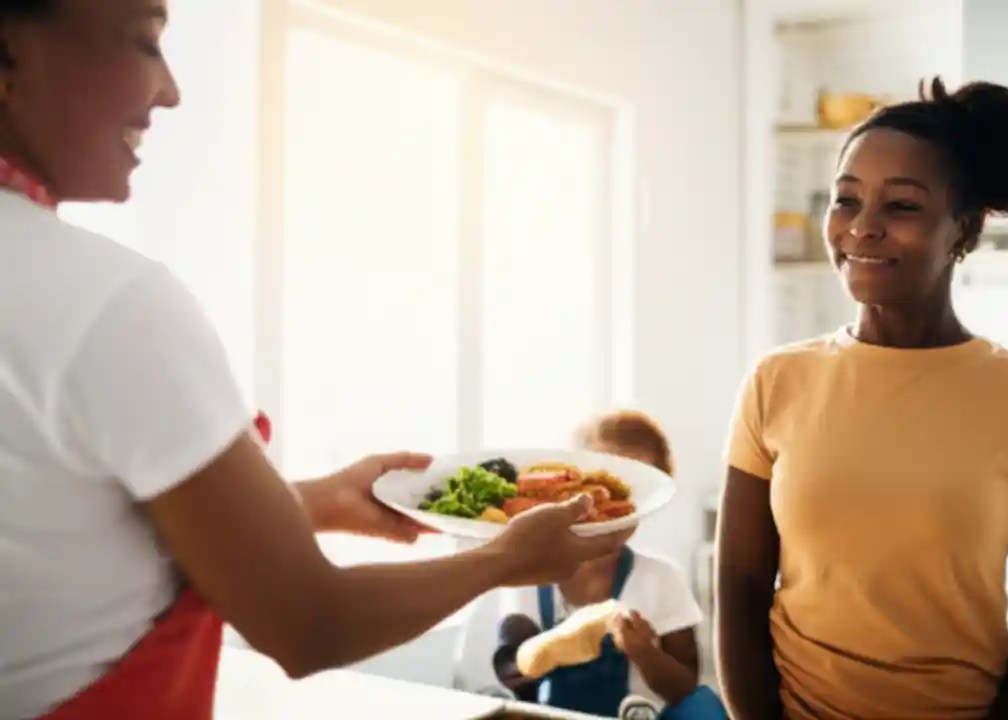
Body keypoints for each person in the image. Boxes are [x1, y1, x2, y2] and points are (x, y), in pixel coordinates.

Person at [0, 2, 627, 718]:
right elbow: (309, 622)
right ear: (9, 53)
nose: (169, 90)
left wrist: (314, 502)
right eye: (145, 43)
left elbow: (64, 542)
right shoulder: (110, 304)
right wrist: (505, 560)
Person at [716, 78, 1008, 720]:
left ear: (965, 230)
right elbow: (740, 591)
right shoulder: (774, 380)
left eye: (903, 206)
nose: (862, 228)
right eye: (846, 200)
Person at [490, 410, 714, 717]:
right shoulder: (529, 576)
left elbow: (686, 688)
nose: (614, 509)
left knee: (705, 708)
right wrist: (543, 652)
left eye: (637, 491)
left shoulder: (661, 580)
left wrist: (645, 653)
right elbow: (511, 669)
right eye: (599, 489)